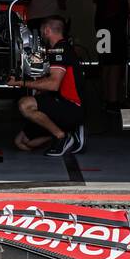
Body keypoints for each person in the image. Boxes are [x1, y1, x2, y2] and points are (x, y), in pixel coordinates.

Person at [8, 16, 85, 157]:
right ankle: (69, 132)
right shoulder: (55, 49)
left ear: (47, 30)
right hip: (59, 103)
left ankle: (61, 136)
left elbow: (53, 85)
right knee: (22, 142)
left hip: (70, 106)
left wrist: (19, 83)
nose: (40, 34)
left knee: (25, 104)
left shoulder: (61, 50)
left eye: (42, 31)